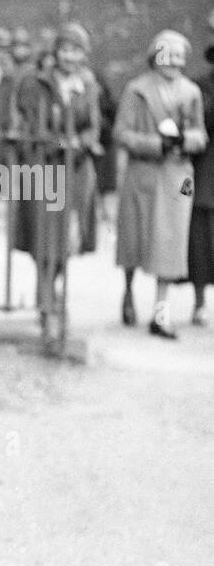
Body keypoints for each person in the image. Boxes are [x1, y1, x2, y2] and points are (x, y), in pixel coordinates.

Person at [115, 29, 209, 338]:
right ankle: (128, 291)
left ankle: (161, 312)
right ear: (154, 56)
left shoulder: (191, 92)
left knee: (170, 243)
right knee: (134, 238)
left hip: (179, 178)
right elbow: (121, 134)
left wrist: (184, 141)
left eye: (178, 57)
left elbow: (200, 135)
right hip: (142, 174)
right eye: (166, 55)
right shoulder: (136, 90)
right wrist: (155, 144)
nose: (172, 63)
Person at [12, 23, 103, 329]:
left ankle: (52, 289)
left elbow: (93, 124)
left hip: (76, 169)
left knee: (68, 239)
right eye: (65, 49)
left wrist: (81, 142)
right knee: (42, 237)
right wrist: (51, 141)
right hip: (44, 168)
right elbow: (28, 122)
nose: (69, 56)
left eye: (76, 50)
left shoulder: (88, 84)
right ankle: (46, 297)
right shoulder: (38, 82)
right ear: (55, 52)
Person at [187, 44, 214, 324]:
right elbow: (199, 124)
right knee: (202, 241)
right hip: (206, 170)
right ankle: (200, 302)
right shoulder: (200, 87)